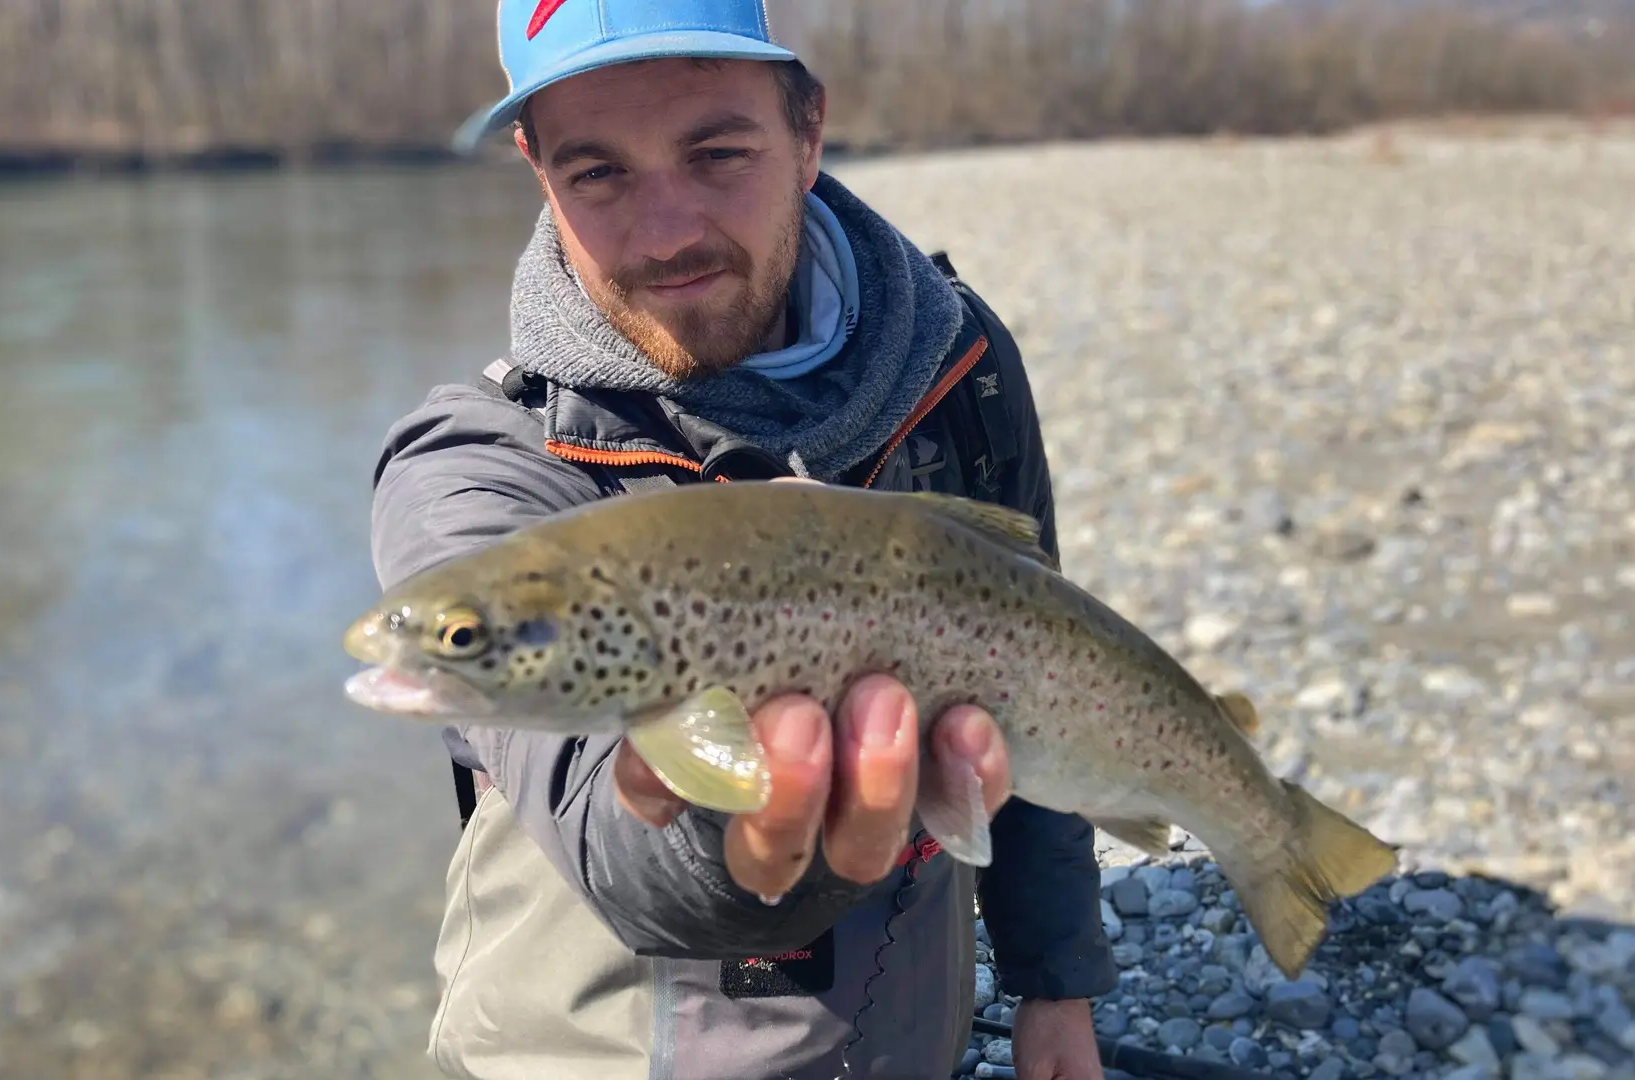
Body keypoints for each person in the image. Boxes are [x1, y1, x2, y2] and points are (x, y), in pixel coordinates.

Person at [363, 2, 1116, 1077]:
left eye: (717, 153)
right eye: (599, 174)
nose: (666, 232)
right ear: (536, 167)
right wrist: (749, 845)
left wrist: (1058, 984)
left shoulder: (961, 364)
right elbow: (615, 846)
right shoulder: (476, 469)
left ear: (809, 132)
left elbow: (1042, 676)